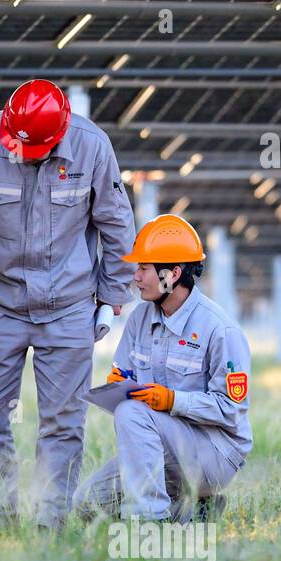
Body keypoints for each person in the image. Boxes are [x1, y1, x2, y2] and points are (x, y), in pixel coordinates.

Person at [0, 79, 136, 528]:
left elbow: (116, 221)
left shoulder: (92, 147)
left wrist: (113, 293)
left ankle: (50, 522)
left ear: (59, 136)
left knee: (63, 423)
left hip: (70, 308)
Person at [73, 215, 252, 523]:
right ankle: (192, 512)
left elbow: (231, 409)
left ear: (173, 274)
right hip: (158, 443)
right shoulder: (139, 320)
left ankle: (149, 521)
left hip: (215, 452)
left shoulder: (220, 329)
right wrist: (119, 384)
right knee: (88, 504)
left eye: (144, 268)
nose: (136, 277)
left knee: (133, 413)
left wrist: (172, 401)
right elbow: (127, 379)